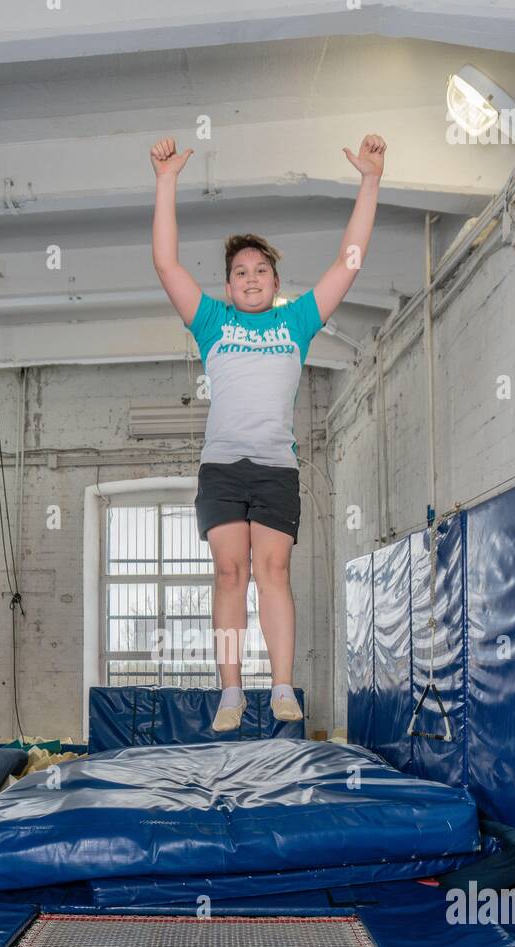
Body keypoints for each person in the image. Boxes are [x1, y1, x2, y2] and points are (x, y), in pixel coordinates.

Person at [150, 132, 386, 732]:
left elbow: (349, 262)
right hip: (223, 467)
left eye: (260, 270)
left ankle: (281, 687)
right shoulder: (211, 321)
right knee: (229, 572)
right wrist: (167, 181)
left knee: (272, 572)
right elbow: (166, 263)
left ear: (276, 283)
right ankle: (231, 691)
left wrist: (370, 181)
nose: (250, 278)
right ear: (228, 287)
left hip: (277, 467)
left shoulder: (297, 320)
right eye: (239, 272)